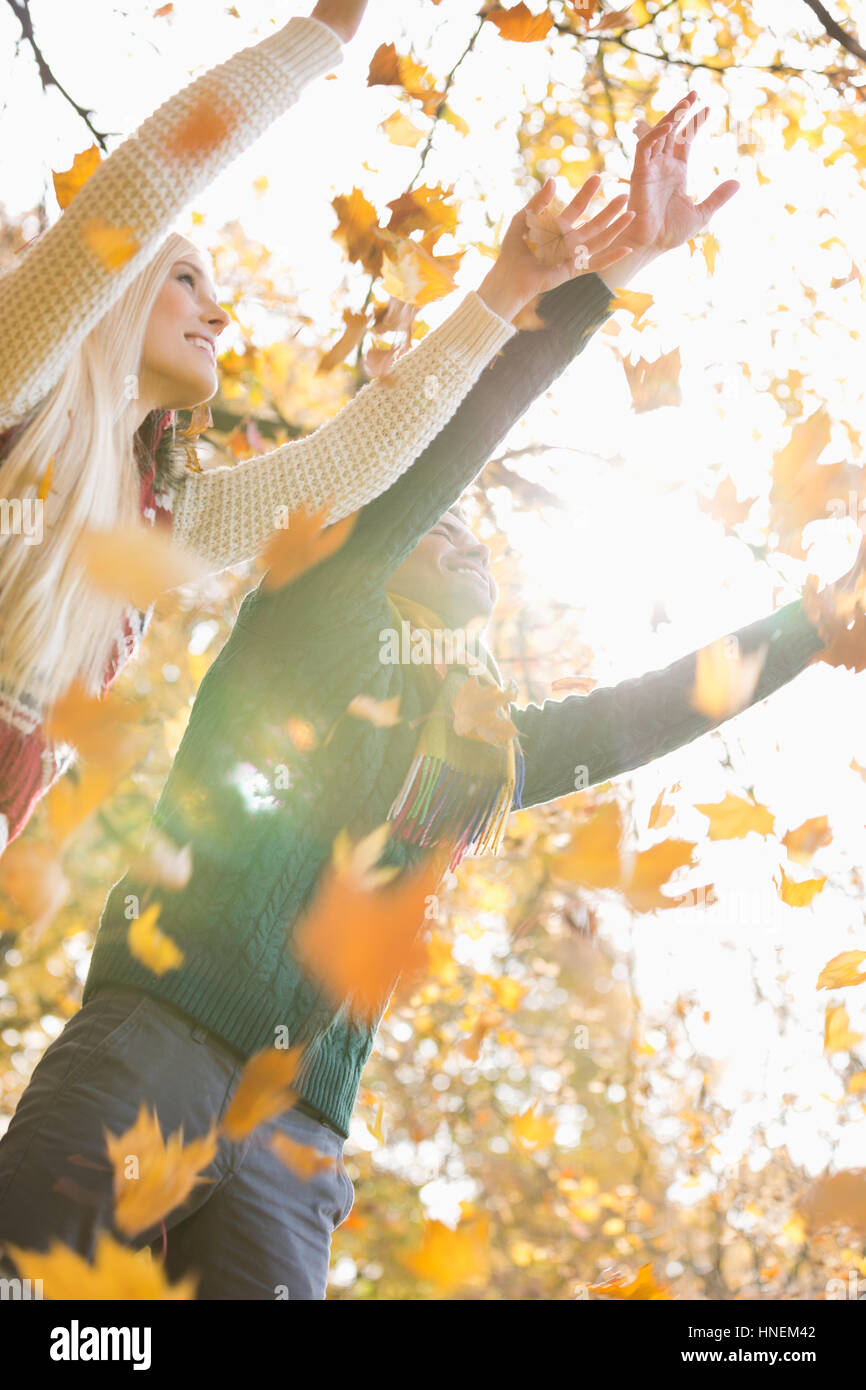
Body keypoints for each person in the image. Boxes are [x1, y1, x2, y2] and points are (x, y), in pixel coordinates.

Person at [0, 95, 762, 1300]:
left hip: (299, 1134)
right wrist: (588, 286)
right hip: (162, 1047)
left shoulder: (470, 747)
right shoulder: (314, 604)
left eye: (478, 547)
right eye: (433, 524)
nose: (463, 542)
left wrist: (811, 630)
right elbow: (435, 445)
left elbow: (642, 713)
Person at [0, 0, 638, 858]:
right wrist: (326, 35)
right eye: (185, 277)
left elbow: (355, 456)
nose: (219, 313)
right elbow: (143, 185)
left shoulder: (158, 521)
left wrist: (505, 290)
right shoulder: (19, 386)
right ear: (115, 291)